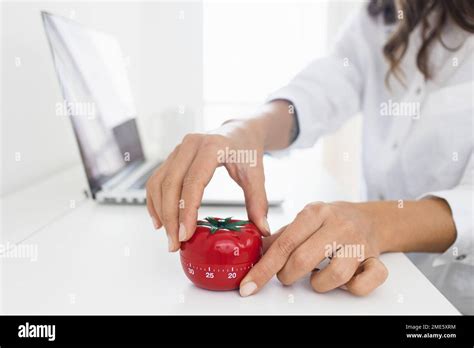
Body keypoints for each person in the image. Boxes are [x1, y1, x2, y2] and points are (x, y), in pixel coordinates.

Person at [146, 0, 473, 313]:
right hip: (368, 284)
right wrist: (246, 130)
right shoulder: (384, 13)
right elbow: (323, 89)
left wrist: (378, 223)